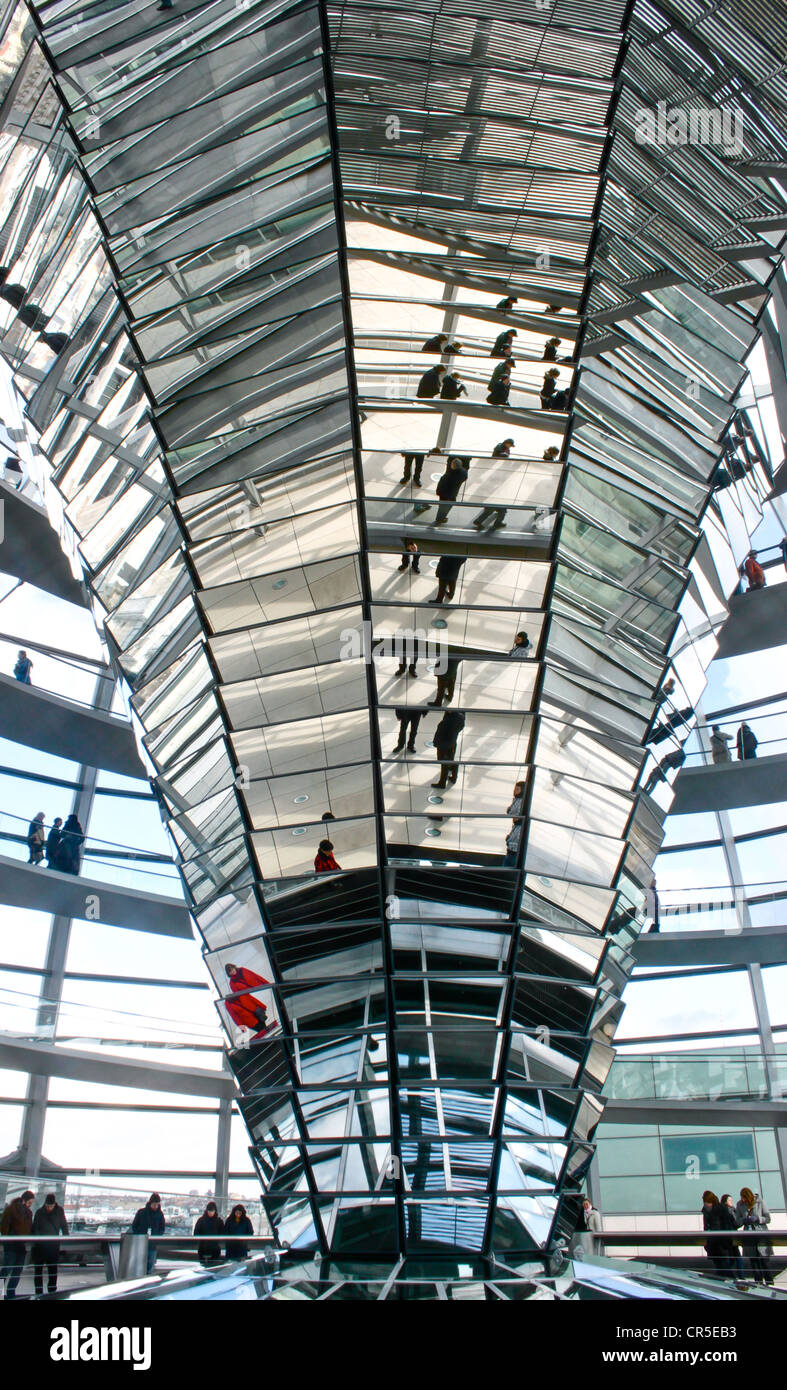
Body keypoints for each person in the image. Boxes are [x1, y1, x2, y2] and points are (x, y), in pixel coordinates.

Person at [734, 1188, 774, 1285]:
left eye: (744, 1198)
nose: (743, 1200)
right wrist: (744, 1220)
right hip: (749, 1235)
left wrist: (757, 1219)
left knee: (764, 1261)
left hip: (761, 1234)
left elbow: (768, 1218)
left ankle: (770, 1283)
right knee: (754, 1262)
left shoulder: (760, 1202)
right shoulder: (739, 1205)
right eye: (742, 1198)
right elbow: (737, 1221)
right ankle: (758, 1284)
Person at [32, 1192, 68, 1297]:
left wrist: (66, 1238)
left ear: (54, 1204)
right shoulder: (39, 1212)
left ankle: (52, 1293)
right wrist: (39, 1240)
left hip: (52, 1246)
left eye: (51, 1206)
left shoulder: (59, 1211)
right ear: (45, 1203)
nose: (49, 1208)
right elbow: (35, 1228)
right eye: (48, 1206)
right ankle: (38, 1293)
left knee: (52, 1271)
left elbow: (64, 1225)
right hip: (41, 1246)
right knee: (38, 1271)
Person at [1, 1189, 34, 1299]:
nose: (30, 1205)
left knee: (17, 1271)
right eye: (29, 1203)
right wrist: (8, 1238)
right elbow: (4, 1226)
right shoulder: (11, 1209)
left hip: (20, 1246)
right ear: (24, 1200)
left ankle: (11, 1293)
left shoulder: (29, 1213)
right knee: (7, 1269)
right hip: (11, 1245)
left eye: (31, 1203)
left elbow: (29, 1228)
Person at [224, 963, 271, 1037]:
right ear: (229, 974)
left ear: (234, 967)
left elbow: (255, 976)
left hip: (258, 991)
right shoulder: (232, 984)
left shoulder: (243, 970)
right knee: (263, 1030)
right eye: (230, 972)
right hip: (250, 1018)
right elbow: (235, 1016)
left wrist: (267, 984)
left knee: (265, 1028)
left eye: (232, 969)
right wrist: (242, 1028)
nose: (232, 972)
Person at [130, 1193, 165, 1275]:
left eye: (157, 1204)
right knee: (140, 1265)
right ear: (150, 1203)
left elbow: (162, 1228)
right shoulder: (142, 1212)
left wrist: (157, 1236)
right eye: (154, 1204)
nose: (156, 1206)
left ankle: (147, 1281)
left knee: (150, 1265)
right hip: (141, 1243)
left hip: (152, 1244)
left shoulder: (160, 1214)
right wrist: (140, 1235)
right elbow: (134, 1226)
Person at [432, 709, 465, 789]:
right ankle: (454, 777)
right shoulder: (461, 716)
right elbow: (462, 726)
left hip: (444, 743)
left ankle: (442, 783)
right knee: (450, 759)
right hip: (452, 741)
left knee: (444, 763)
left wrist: (436, 742)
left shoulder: (449, 719)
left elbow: (441, 730)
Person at [718, 1195, 745, 1284]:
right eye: (730, 1200)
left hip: (730, 1237)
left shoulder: (731, 1210)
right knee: (735, 1258)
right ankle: (739, 1277)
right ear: (725, 1201)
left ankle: (730, 1276)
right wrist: (743, 1220)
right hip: (730, 1237)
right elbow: (736, 1223)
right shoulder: (729, 1211)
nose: (731, 1202)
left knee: (733, 1258)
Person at [434, 457, 468, 525]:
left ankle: (439, 519)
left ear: (452, 466)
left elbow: (440, 488)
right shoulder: (464, 473)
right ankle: (442, 517)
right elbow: (465, 478)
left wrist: (438, 493)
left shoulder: (447, 476)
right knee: (449, 505)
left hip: (444, 495)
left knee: (442, 507)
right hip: (453, 494)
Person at [701, 1191, 726, 1277]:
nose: (706, 1204)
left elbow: (725, 1224)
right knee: (719, 1264)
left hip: (720, 1241)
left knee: (723, 1264)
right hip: (713, 1241)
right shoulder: (707, 1210)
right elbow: (705, 1226)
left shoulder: (720, 1209)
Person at [503, 781, 525, 865]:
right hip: (511, 853)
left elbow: (510, 811)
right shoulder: (517, 826)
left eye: (517, 789)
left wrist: (508, 840)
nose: (514, 791)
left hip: (512, 854)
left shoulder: (519, 801)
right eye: (515, 789)